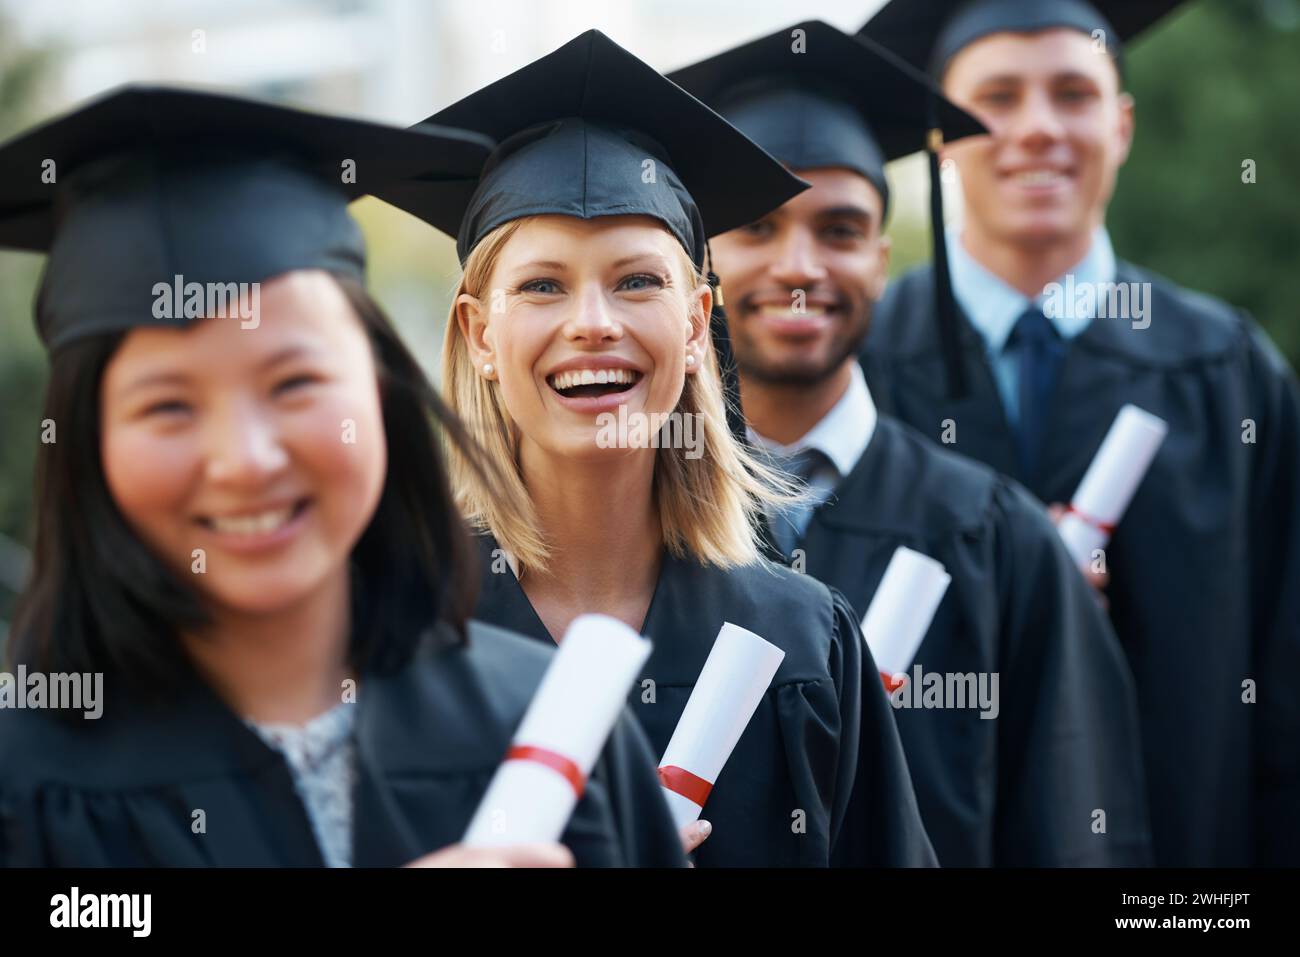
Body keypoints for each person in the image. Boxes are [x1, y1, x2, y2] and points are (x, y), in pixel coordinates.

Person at [0, 86, 685, 868]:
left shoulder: (548, 725)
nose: (246, 459)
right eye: (168, 406)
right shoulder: (26, 787)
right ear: (87, 444)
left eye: (294, 384)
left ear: (382, 393)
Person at [376, 30, 936, 867]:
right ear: (478, 331)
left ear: (694, 322)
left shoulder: (803, 639)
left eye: (638, 280)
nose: (593, 321)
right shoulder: (393, 641)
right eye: (541, 285)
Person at [671, 19, 1151, 866]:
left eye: (841, 230)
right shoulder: (629, 527)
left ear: (883, 261)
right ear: (697, 270)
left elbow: (1075, 832)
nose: (800, 266)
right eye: (757, 230)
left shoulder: (996, 536)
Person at [858, 0, 1300, 866]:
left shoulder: (1226, 370)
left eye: (1073, 94)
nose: (1036, 129)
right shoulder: (859, 368)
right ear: (940, 137)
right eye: (996, 98)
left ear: (1121, 124)